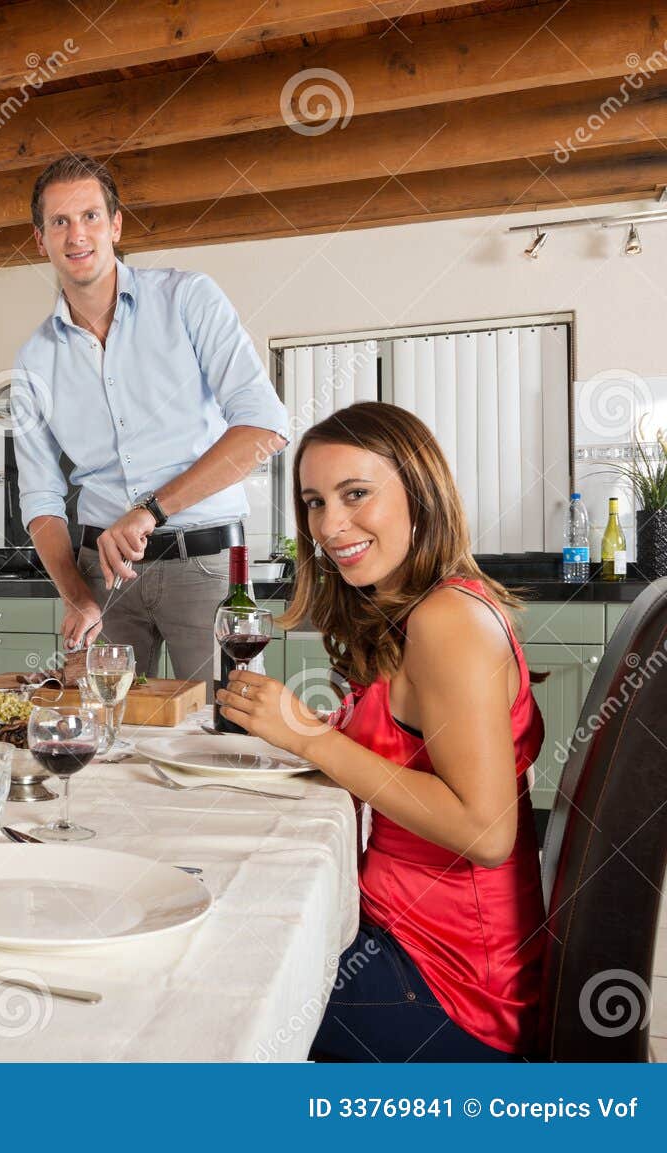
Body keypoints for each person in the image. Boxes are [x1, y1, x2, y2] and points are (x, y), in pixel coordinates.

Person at [215, 401, 547, 1061]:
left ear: (418, 494)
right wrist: (307, 729)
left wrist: (311, 738)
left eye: (355, 494)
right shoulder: (418, 610)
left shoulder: (449, 622)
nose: (330, 525)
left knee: (219, 991)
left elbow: (485, 833)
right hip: (411, 941)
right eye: (313, 502)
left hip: (451, 989)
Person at [10, 154, 289, 687]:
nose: (77, 235)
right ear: (40, 239)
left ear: (115, 224)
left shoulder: (188, 298)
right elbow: (41, 500)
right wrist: (78, 596)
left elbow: (263, 429)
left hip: (207, 566)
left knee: (230, 725)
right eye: (60, 222)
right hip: (103, 576)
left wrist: (149, 511)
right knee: (104, 735)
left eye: (91, 216)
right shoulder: (32, 359)